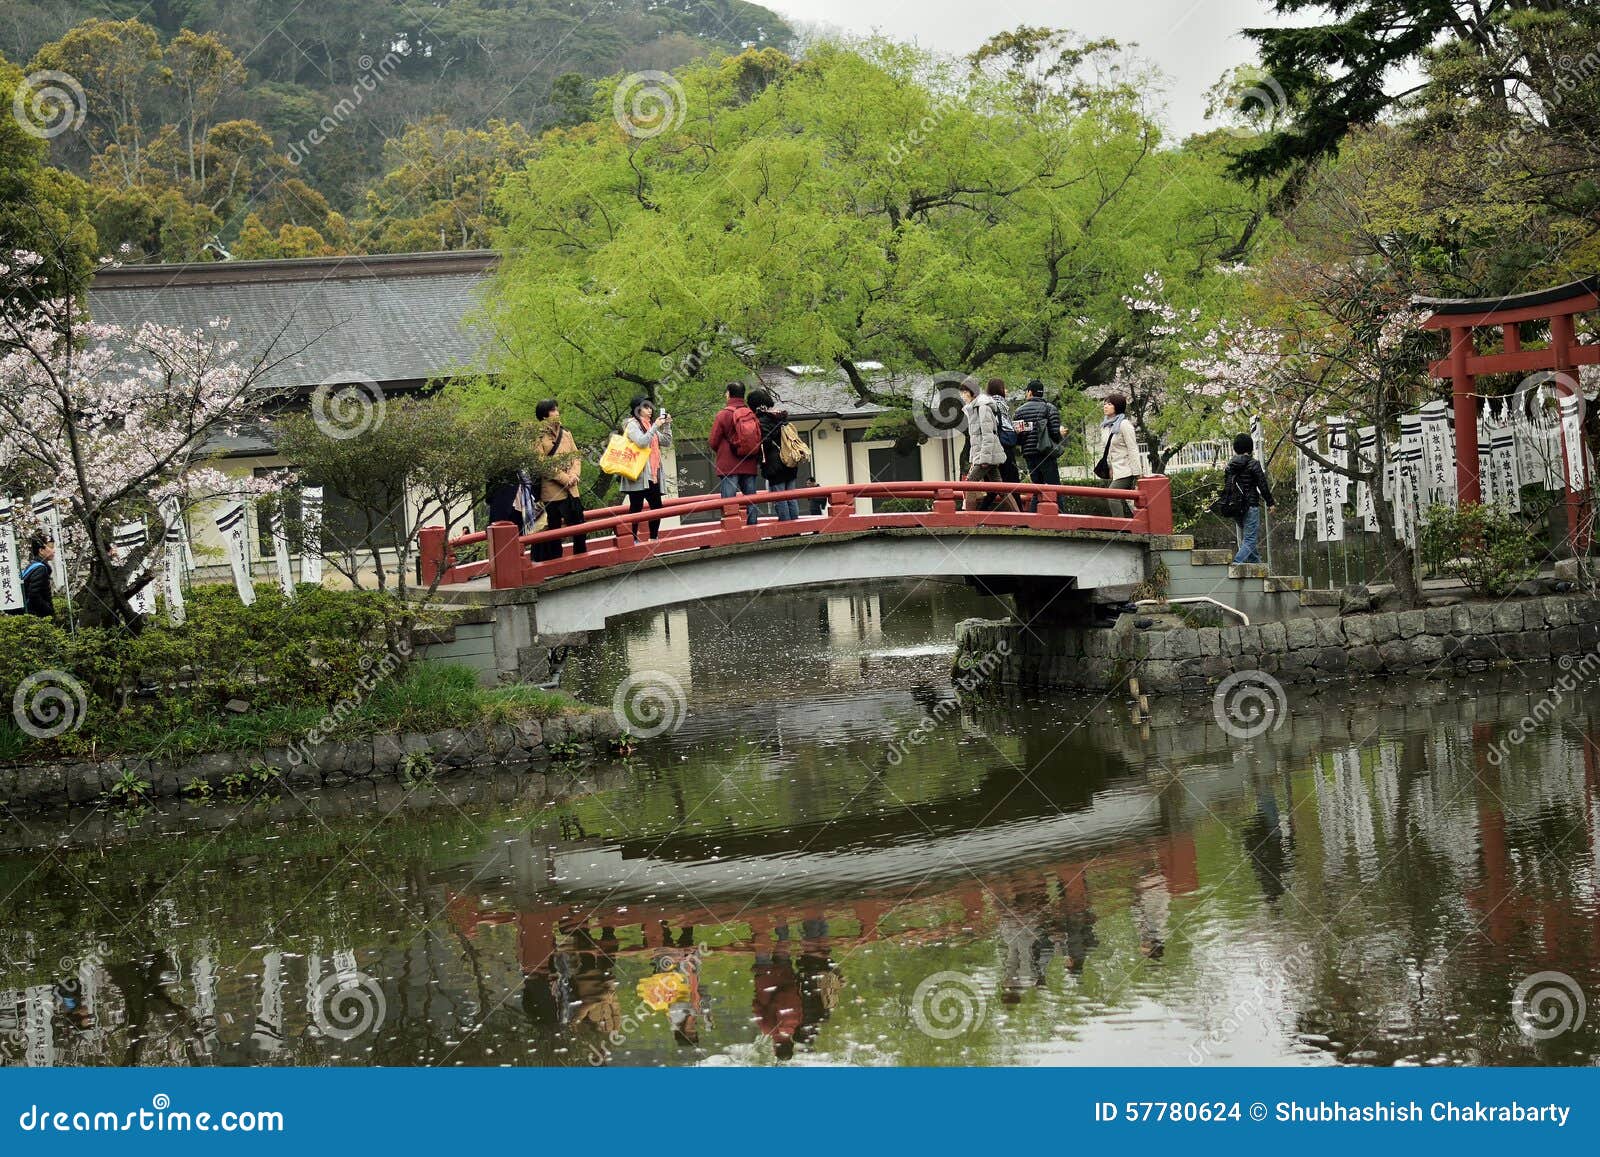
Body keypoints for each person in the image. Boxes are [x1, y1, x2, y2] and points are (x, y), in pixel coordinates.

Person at [531, 399, 587, 562]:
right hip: (552, 492)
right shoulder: (537, 437)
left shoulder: (566, 434)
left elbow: (576, 456)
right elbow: (541, 463)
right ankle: (556, 562)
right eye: (553, 410)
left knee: (579, 526)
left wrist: (574, 475)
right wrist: (564, 478)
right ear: (544, 415)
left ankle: (581, 558)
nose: (557, 412)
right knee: (553, 529)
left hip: (572, 488)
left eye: (557, 409)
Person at [618, 396, 673, 543]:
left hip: (652, 473)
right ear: (637, 409)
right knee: (636, 507)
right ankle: (633, 540)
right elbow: (642, 442)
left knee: (657, 507)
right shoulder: (631, 425)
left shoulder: (649, 425)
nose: (650, 410)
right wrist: (655, 426)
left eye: (650, 407)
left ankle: (653, 538)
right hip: (637, 473)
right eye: (646, 407)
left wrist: (666, 425)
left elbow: (666, 442)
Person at [708, 381, 763, 525]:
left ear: (728, 394)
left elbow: (713, 441)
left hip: (728, 465)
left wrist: (723, 450)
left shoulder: (723, 415)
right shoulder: (751, 414)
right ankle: (753, 528)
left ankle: (732, 529)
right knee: (751, 499)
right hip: (749, 462)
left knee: (729, 501)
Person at [959, 379, 1019, 512]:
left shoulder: (982, 407)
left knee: (970, 483)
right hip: (987, 454)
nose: (962, 396)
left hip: (987, 455)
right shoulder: (975, 408)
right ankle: (1019, 516)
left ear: (971, 392)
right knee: (1000, 487)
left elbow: (988, 434)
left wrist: (983, 459)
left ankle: (970, 518)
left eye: (964, 392)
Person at [748, 387, 800, 522]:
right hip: (790, 460)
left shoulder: (761, 420)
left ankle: (787, 529)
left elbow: (765, 443)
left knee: (780, 498)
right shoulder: (781, 416)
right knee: (791, 497)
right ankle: (796, 527)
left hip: (774, 464)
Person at [1224, 432, 1276, 564]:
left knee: (1248, 538)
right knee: (1250, 539)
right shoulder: (1254, 464)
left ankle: (1258, 566)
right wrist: (1270, 503)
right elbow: (1262, 486)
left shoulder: (1230, 466)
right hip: (1250, 505)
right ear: (1250, 448)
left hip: (1235, 507)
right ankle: (1236, 564)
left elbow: (1227, 487)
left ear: (1235, 448)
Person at [1014, 379, 1065, 512]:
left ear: (1030, 392)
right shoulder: (1050, 408)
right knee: (1055, 487)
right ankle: (1063, 515)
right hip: (1046, 453)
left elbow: (1017, 437)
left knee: (1036, 487)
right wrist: (1060, 435)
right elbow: (1054, 433)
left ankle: (1033, 516)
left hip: (1029, 455)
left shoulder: (1019, 411)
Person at [1097, 393, 1142, 516]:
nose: (1105, 406)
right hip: (1116, 470)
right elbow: (1107, 449)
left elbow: (1133, 449)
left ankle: (1120, 530)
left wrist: (1138, 474)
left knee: (1112, 496)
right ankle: (1144, 526)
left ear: (1117, 406)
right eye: (1105, 404)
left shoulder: (1124, 424)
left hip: (1127, 469)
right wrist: (1110, 466)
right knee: (1131, 500)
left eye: (1109, 404)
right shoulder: (1105, 426)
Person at [987, 379, 1022, 488]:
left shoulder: (990, 402)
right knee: (1012, 481)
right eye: (1004, 387)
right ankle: (1016, 505)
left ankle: (989, 504)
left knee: (997, 484)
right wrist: (1014, 430)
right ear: (999, 389)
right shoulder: (998, 404)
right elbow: (1002, 424)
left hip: (996, 445)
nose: (1006, 390)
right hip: (1004, 444)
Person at [18, 534, 54, 618]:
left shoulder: (33, 565)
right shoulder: (40, 568)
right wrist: (48, 610)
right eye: (51, 547)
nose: (54, 550)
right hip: (35, 615)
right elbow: (34, 594)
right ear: (41, 550)